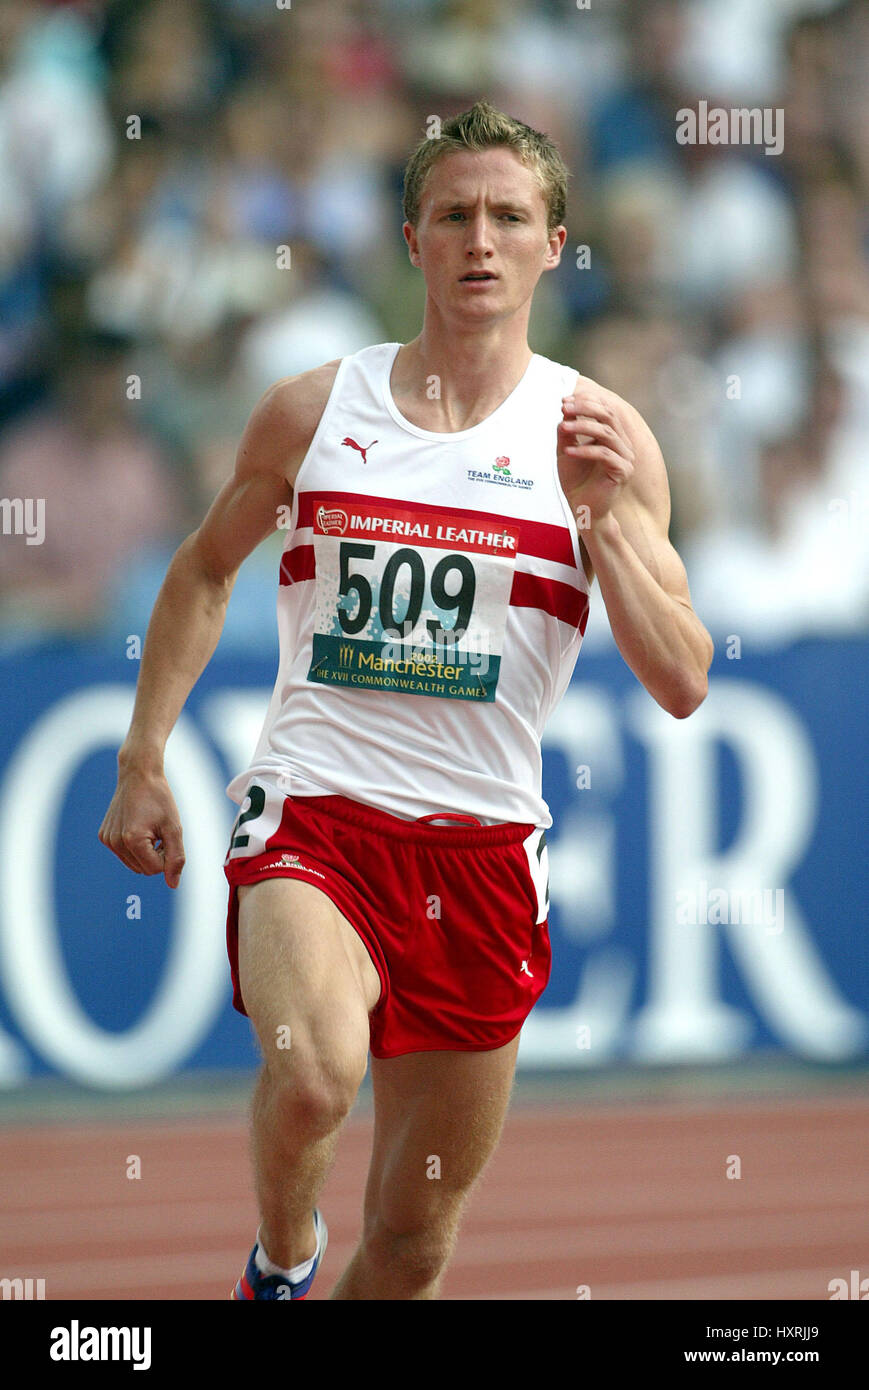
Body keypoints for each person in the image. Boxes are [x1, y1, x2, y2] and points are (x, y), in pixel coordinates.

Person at [99, 100, 713, 1301]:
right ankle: (281, 1262)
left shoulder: (598, 436)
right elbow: (204, 570)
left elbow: (683, 677)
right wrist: (141, 756)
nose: (480, 240)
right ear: (411, 239)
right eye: (453, 215)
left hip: (480, 853)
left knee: (413, 1239)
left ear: (552, 244)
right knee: (314, 1075)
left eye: (508, 218)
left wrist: (595, 521)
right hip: (315, 816)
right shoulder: (315, 410)